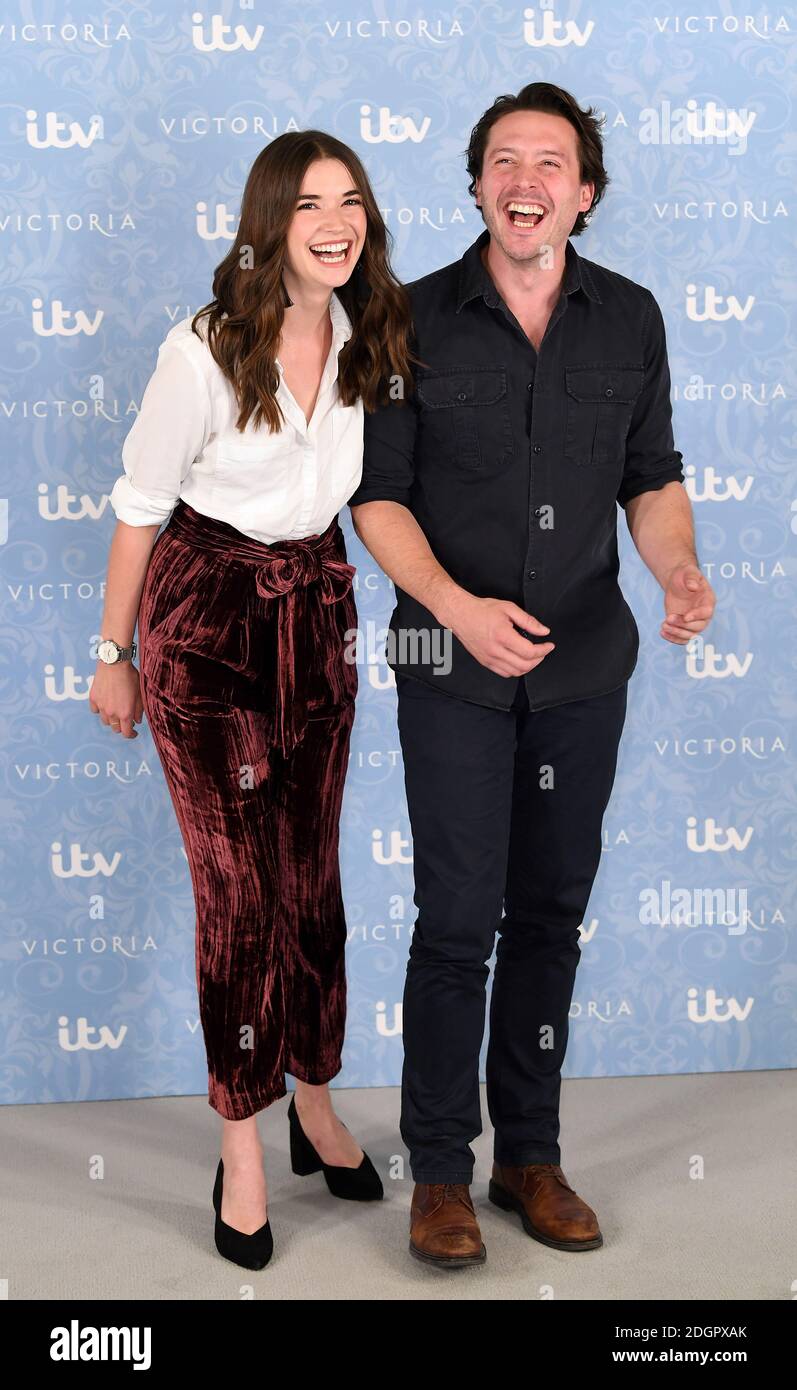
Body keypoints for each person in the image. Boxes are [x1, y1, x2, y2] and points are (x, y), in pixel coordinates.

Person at [349, 82, 717, 1269]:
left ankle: (529, 1158)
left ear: (583, 193)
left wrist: (676, 567)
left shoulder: (630, 318)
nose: (526, 179)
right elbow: (376, 497)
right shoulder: (403, 317)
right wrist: (455, 610)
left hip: (580, 666)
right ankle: (437, 1173)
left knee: (549, 916)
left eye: (550, 162)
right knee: (455, 920)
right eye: (503, 160)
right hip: (441, 660)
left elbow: (649, 477)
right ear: (475, 187)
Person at [90, 131, 416, 1269]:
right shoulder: (203, 349)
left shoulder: (372, 331)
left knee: (311, 882)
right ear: (270, 219)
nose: (336, 222)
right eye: (311, 202)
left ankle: (313, 1101)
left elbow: (373, 492)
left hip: (316, 611)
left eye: (352, 201)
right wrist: (114, 652)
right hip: (210, 623)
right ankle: (240, 1141)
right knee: (238, 898)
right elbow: (140, 505)